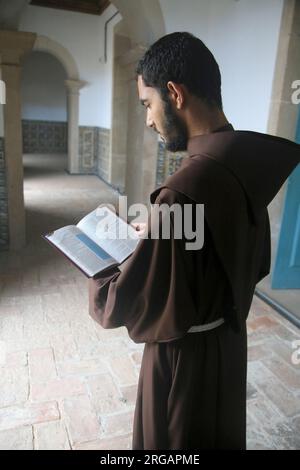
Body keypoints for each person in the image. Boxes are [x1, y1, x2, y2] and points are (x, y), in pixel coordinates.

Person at [88, 32, 300, 450]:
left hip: (181, 362)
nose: (148, 119)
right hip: (227, 345)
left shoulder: (184, 188)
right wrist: (158, 237)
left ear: (174, 94)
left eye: (148, 104)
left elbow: (128, 304)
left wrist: (98, 265)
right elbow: (249, 260)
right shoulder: (243, 161)